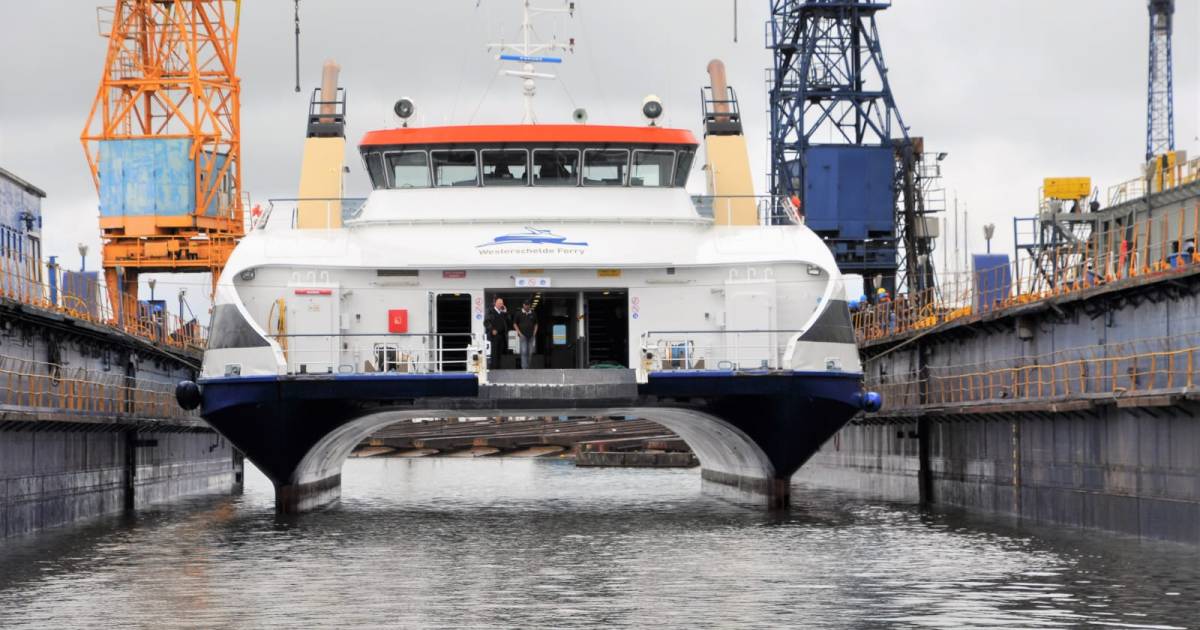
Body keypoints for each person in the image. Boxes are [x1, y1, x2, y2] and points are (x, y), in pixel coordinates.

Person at [513, 301, 539, 369]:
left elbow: (536, 324)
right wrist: (519, 333)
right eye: (526, 305)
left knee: (530, 353)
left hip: (531, 336)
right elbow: (515, 323)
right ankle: (524, 368)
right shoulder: (519, 313)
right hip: (523, 336)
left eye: (528, 305)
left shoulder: (533, 313)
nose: (527, 306)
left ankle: (528, 367)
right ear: (523, 305)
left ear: (530, 305)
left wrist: (534, 333)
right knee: (524, 352)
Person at [485, 298, 509, 369]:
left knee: (499, 353)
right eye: (499, 303)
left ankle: (498, 368)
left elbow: (508, 322)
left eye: (501, 303)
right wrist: (492, 329)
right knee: (494, 353)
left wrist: (505, 312)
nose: (500, 305)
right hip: (494, 335)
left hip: (501, 335)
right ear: (495, 303)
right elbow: (486, 322)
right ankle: (494, 368)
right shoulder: (490, 311)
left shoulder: (502, 312)